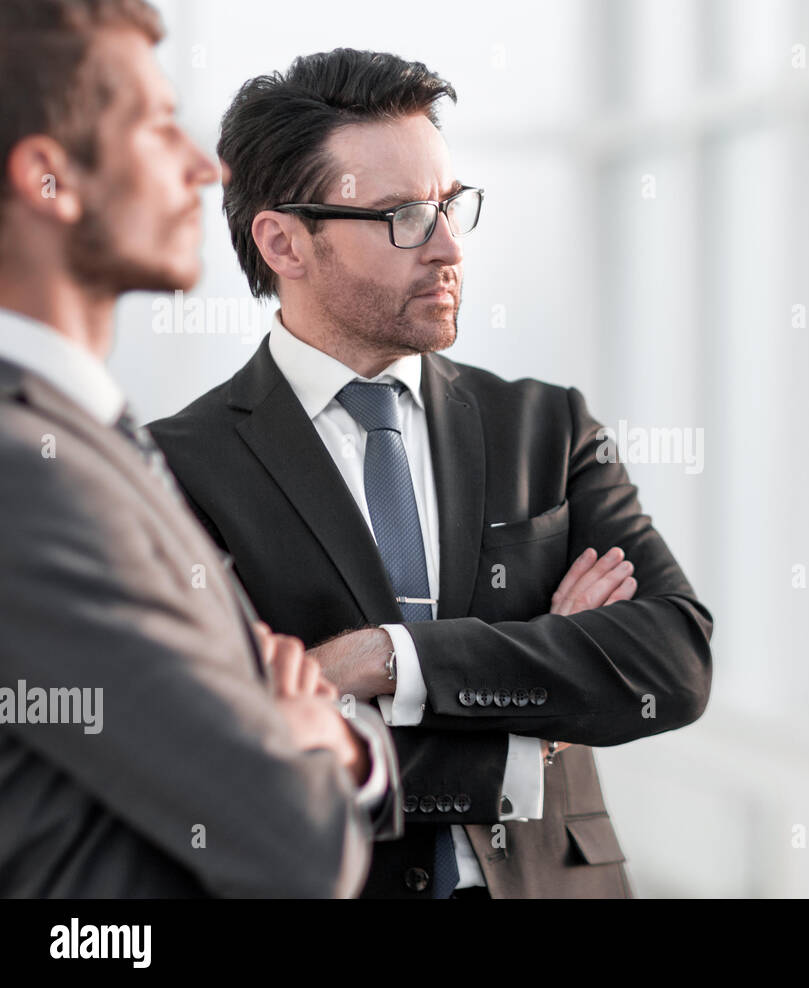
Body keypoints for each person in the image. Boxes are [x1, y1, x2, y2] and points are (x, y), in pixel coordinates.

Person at [148, 47, 714, 898]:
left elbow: (673, 661)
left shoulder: (546, 427)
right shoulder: (176, 468)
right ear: (284, 242)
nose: (448, 246)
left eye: (449, 205)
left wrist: (386, 661)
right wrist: (537, 715)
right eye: (404, 215)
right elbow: (217, 743)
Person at [0, 0, 402, 897]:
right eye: (154, 125)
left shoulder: (89, 441)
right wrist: (303, 732)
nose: (204, 167)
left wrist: (323, 735)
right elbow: (294, 850)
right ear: (46, 178)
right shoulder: (26, 473)